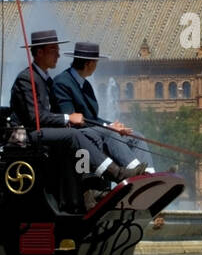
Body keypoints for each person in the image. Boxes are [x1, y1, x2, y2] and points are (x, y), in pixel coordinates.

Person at [9, 29, 132, 186]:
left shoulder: (45, 79)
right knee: (73, 135)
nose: (58, 56)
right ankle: (115, 173)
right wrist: (68, 117)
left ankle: (94, 185)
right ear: (39, 52)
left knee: (85, 134)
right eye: (54, 51)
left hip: (40, 131)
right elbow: (35, 117)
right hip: (22, 135)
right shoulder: (26, 79)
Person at [53, 41, 153, 174]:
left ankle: (152, 176)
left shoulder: (86, 85)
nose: (96, 66)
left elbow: (92, 118)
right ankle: (138, 174)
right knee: (111, 133)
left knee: (136, 137)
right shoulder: (62, 82)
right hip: (77, 134)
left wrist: (112, 124)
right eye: (96, 62)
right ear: (89, 64)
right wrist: (108, 128)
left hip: (94, 130)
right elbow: (71, 120)